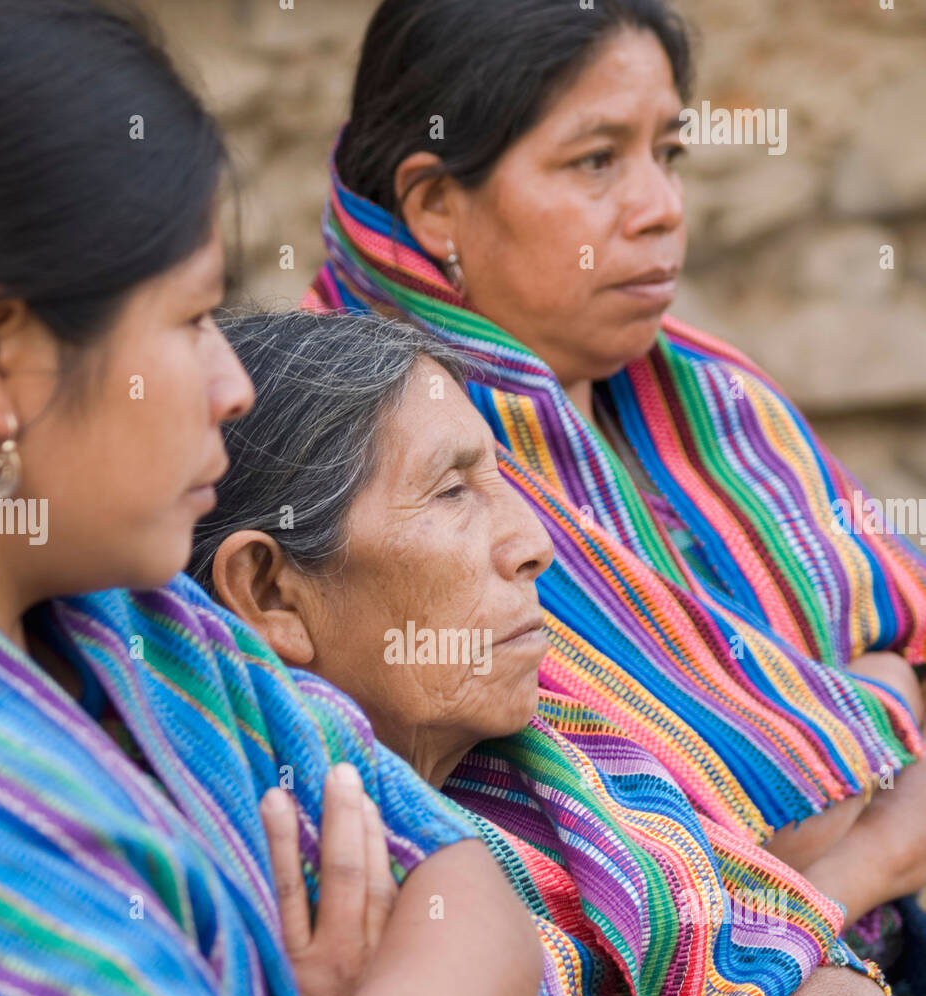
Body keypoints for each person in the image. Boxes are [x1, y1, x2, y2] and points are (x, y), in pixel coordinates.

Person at [0, 0, 544, 996]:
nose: (232, 383)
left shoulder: (149, 632)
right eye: (191, 320)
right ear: (0, 361)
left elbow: (473, 891)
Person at [189, 308, 909, 996]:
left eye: (503, 481)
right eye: (453, 491)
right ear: (271, 593)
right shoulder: (314, 887)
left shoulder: (563, 766)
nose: (533, 542)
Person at [305, 0, 926, 943]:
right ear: (435, 205)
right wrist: (874, 831)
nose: (661, 207)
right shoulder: (360, 465)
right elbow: (678, 878)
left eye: (665, 154)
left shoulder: (707, 404)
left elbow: (889, 658)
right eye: (595, 160)